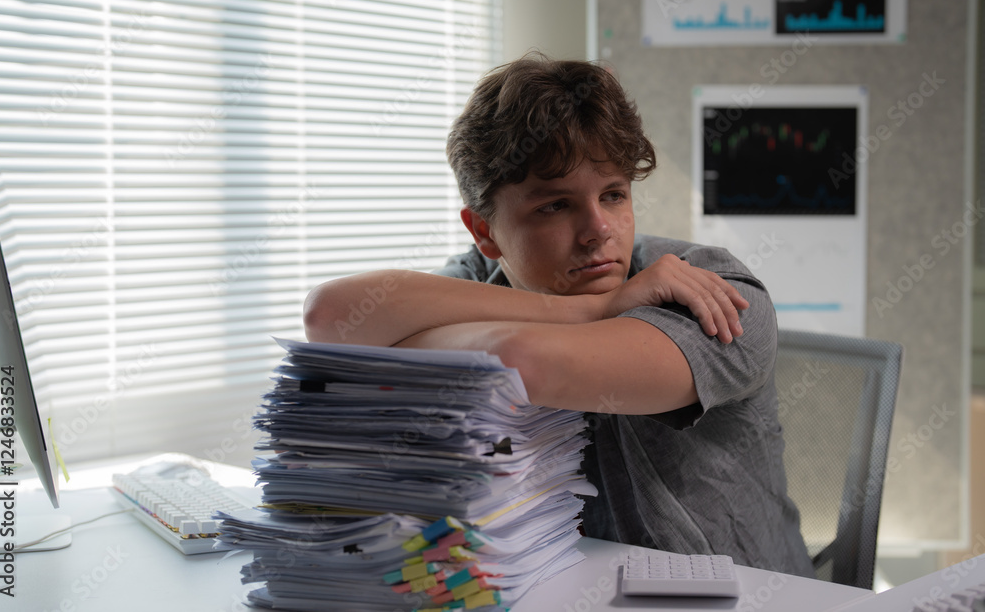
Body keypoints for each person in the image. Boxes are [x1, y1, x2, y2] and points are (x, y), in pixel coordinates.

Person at [303, 54, 815, 577]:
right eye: (555, 206)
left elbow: (521, 363)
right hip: (558, 586)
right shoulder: (482, 276)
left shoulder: (712, 290)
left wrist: (402, 351)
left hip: (745, 596)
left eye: (613, 195)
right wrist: (595, 308)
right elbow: (330, 318)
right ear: (485, 231)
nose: (599, 230)